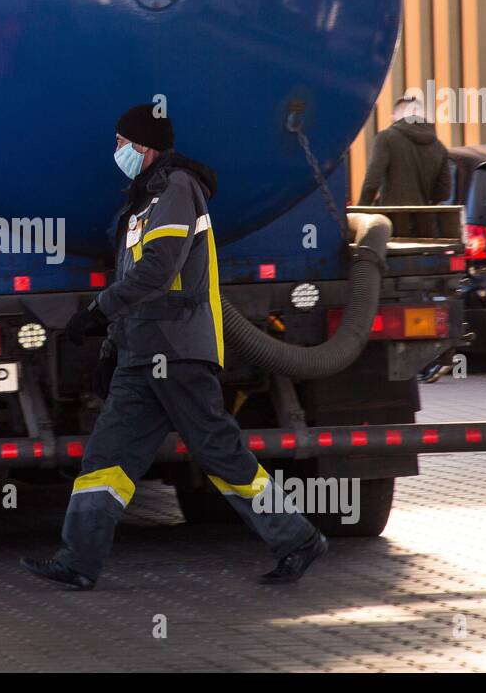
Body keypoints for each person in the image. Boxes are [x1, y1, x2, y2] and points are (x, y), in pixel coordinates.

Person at [19, 104, 327, 591]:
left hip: (178, 349)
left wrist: (98, 310)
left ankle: (297, 538)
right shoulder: (141, 204)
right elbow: (135, 281)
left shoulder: (178, 189)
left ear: (142, 147)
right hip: (142, 354)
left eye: (121, 143)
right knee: (106, 459)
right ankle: (78, 560)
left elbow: (159, 270)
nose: (115, 151)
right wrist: (111, 350)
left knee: (221, 454)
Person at [357, 95, 451, 208]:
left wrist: (361, 211)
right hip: (425, 222)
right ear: (422, 115)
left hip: (392, 220)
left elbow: (371, 183)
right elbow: (444, 192)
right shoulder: (440, 148)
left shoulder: (386, 138)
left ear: (395, 116)